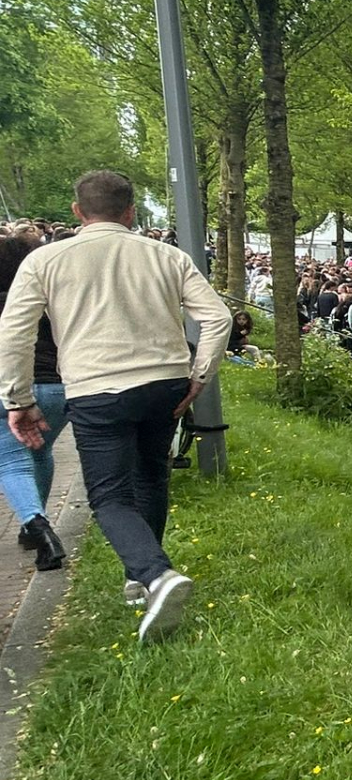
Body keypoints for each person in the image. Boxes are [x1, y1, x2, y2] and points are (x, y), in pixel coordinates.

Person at [0, 171, 231, 641]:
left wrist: (18, 398)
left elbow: (16, 331)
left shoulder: (44, 260)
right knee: (152, 474)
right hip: (166, 382)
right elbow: (218, 316)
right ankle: (143, 576)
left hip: (96, 387)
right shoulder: (167, 255)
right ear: (130, 212)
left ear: (77, 211)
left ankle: (156, 574)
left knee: (108, 495)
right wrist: (200, 376)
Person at [0, 230, 67, 571]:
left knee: (11, 461)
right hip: (57, 386)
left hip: (9, 388)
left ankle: (38, 527)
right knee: (41, 451)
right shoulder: (50, 296)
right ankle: (33, 526)